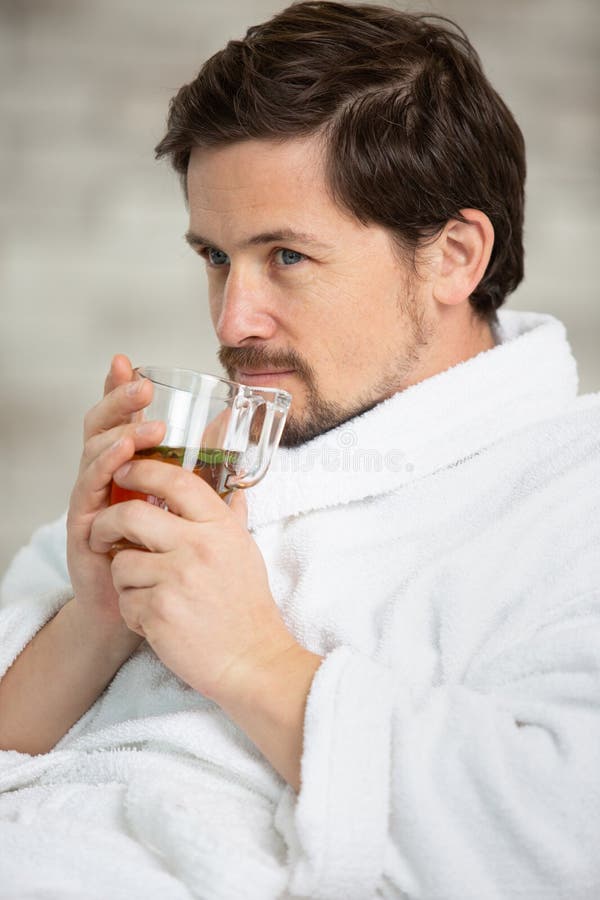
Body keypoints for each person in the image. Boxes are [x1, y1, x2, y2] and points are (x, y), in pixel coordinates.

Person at [1, 2, 599, 897]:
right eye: (214, 256)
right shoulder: (198, 457)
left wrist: (251, 661)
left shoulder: (570, 491)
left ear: (454, 256)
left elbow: (561, 833)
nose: (233, 321)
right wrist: (93, 616)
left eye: (285, 256)